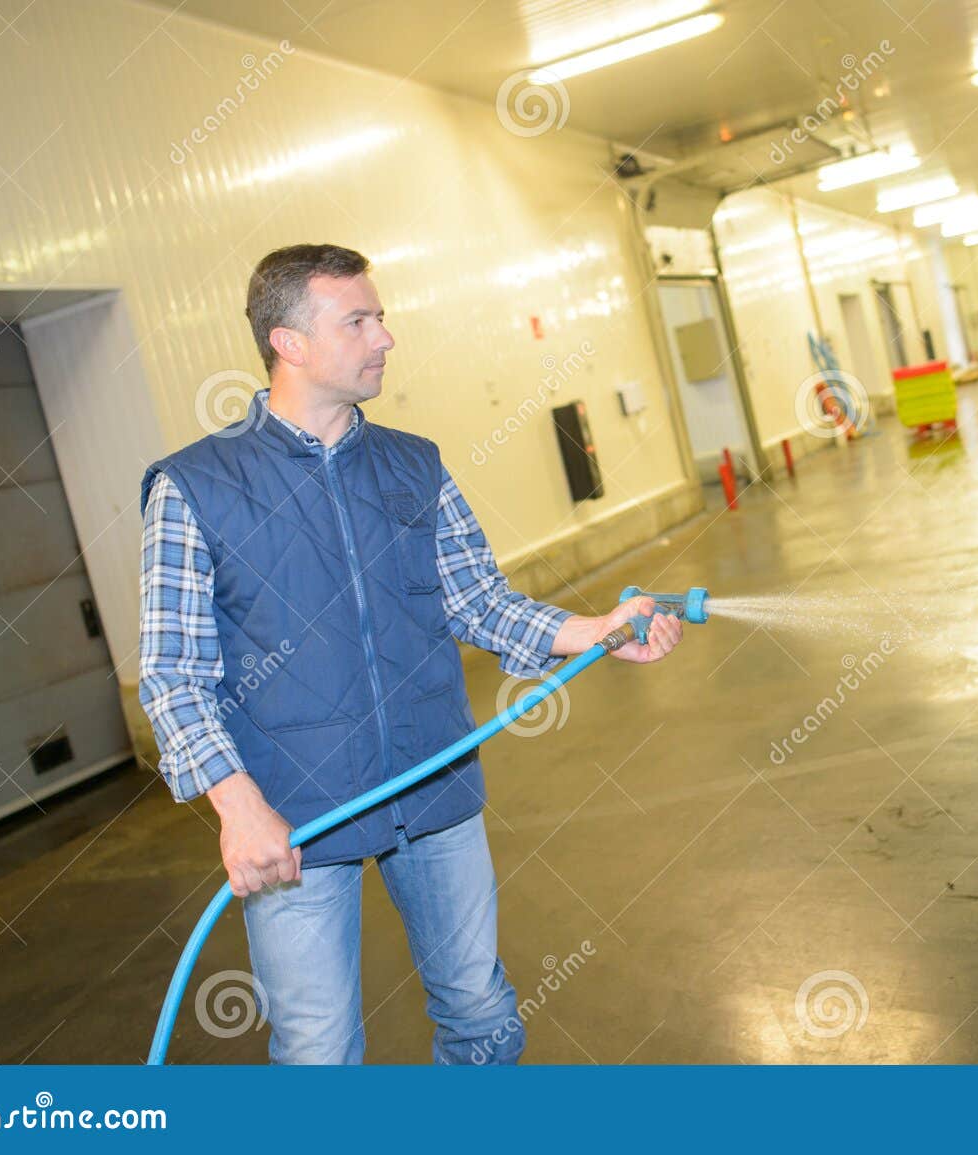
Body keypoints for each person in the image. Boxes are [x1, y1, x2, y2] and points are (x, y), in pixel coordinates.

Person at [138, 243, 682, 1065]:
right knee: (319, 1052)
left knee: (482, 1012)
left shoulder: (412, 463)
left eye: (381, 316)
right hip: (295, 818)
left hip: (433, 786)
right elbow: (175, 675)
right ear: (288, 342)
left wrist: (601, 628)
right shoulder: (197, 486)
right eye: (358, 320)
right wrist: (239, 807)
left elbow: (478, 601)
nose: (385, 336)